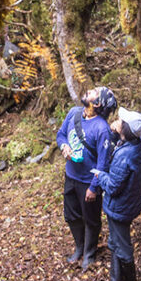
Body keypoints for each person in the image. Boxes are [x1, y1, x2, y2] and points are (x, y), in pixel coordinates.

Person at [92, 106, 141, 281]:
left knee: (122, 245)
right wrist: (115, 131)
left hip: (120, 207)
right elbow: (118, 145)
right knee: (115, 242)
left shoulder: (126, 155)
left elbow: (112, 186)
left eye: (121, 121)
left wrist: (100, 175)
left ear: (126, 129)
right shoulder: (134, 144)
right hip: (125, 205)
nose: (117, 121)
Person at [56, 86, 117, 269]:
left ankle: (89, 254)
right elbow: (60, 135)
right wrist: (64, 147)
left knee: (91, 219)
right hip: (71, 176)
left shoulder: (102, 129)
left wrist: (94, 187)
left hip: (88, 182)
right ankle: (79, 247)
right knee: (71, 215)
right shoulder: (74, 113)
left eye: (95, 92)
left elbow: (103, 163)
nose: (90, 90)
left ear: (97, 104)